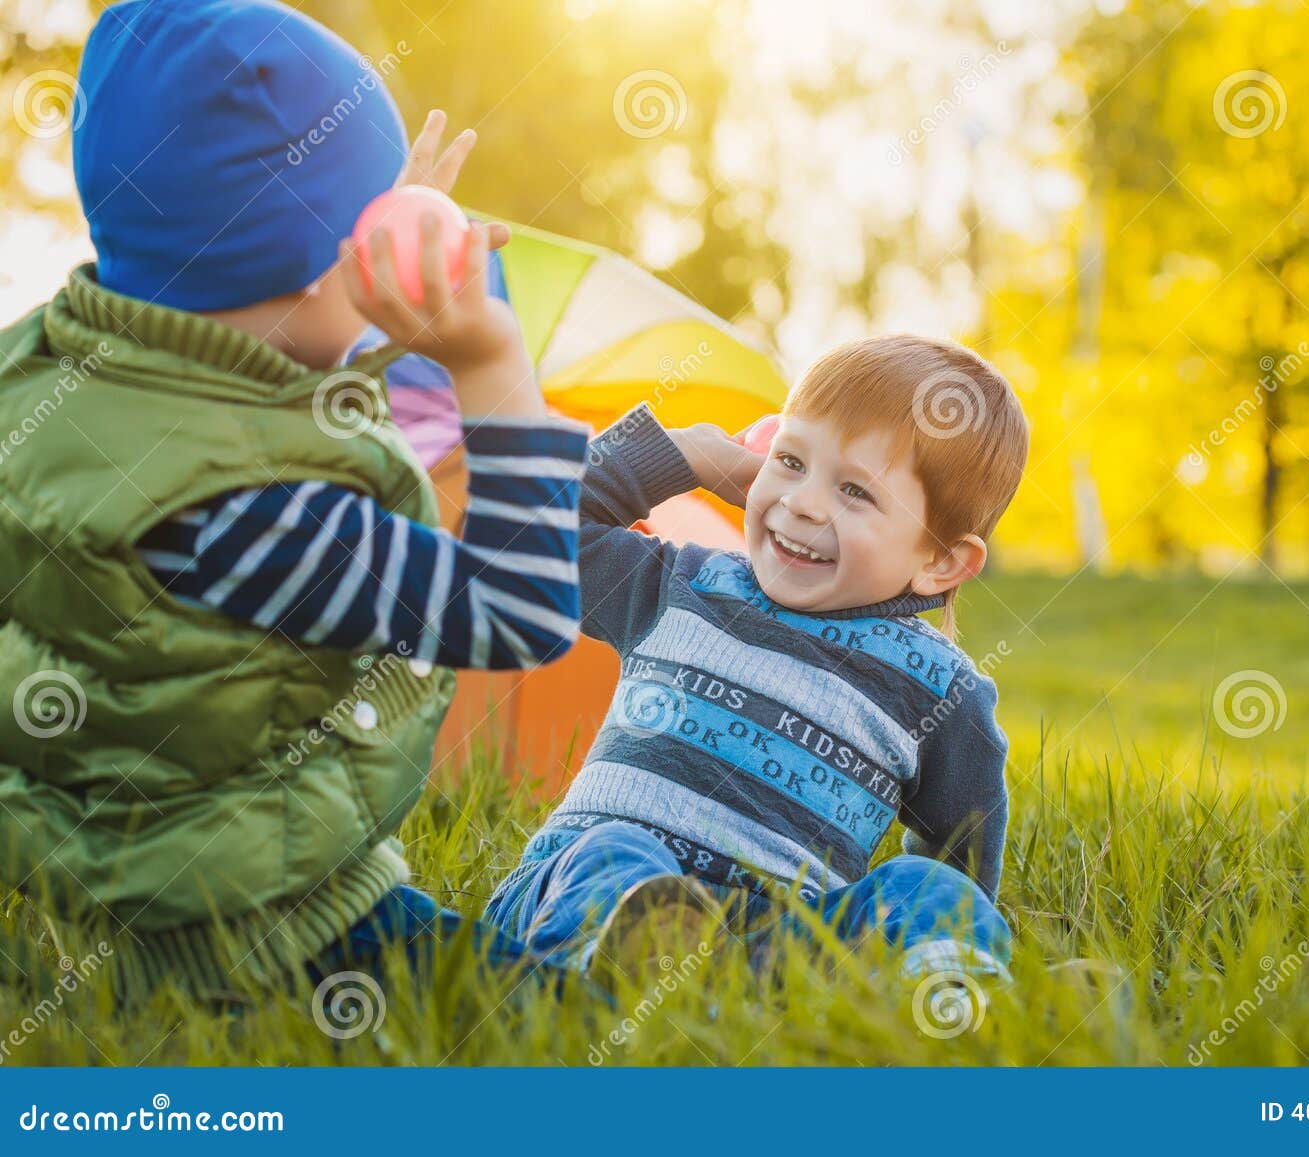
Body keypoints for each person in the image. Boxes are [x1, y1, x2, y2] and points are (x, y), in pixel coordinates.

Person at [0, 0, 586, 1001]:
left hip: (80, 882)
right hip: (261, 926)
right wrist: (490, 358)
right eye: (365, 235)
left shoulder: (55, 377)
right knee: (548, 1012)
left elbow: (261, 368)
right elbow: (520, 608)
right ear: (321, 272)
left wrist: (343, 251)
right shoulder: (251, 510)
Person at [487, 335, 1029, 986]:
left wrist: (935, 920)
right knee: (617, 852)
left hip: (774, 935)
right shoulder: (680, 584)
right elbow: (536, 531)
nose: (801, 501)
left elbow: (961, 848)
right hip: (582, 886)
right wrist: (680, 453)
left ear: (940, 560)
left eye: (855, 490)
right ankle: (605, 971)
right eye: (791, 459)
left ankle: (956, 997)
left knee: (925, 888)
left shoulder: (938, 686)